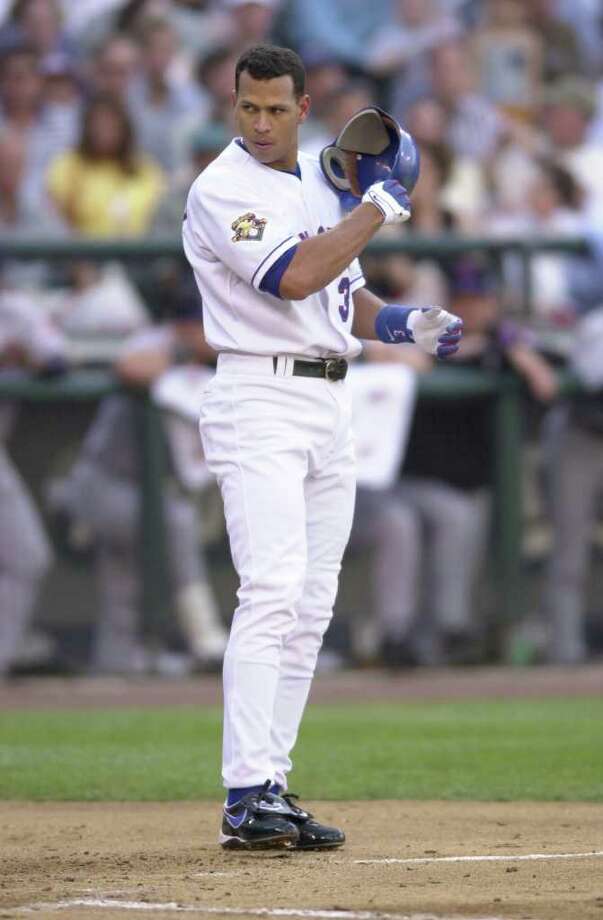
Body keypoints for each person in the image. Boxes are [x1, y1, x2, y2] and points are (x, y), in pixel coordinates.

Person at [182, 44, 462, 851]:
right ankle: (242, 794)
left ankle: (268, 782)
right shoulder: (219, 188)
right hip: (257, 394)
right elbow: (294, 277)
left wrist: (402, 323)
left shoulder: (321, 176)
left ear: (303, 109)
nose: (261, 121)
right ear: (232, 105)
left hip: (328, 397)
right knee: (270, 590)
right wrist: (380, 208)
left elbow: (339, 294)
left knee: (310, 605)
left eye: (275, 108)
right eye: (248, 106)